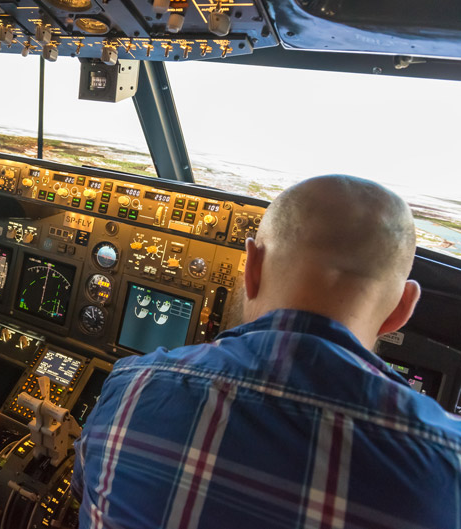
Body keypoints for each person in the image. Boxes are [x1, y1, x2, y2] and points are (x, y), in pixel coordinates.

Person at [73, 175, 461, 529]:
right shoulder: (449, 464)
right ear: (402, 309)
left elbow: (83, 490)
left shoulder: (129, 389)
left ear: (251, 266)